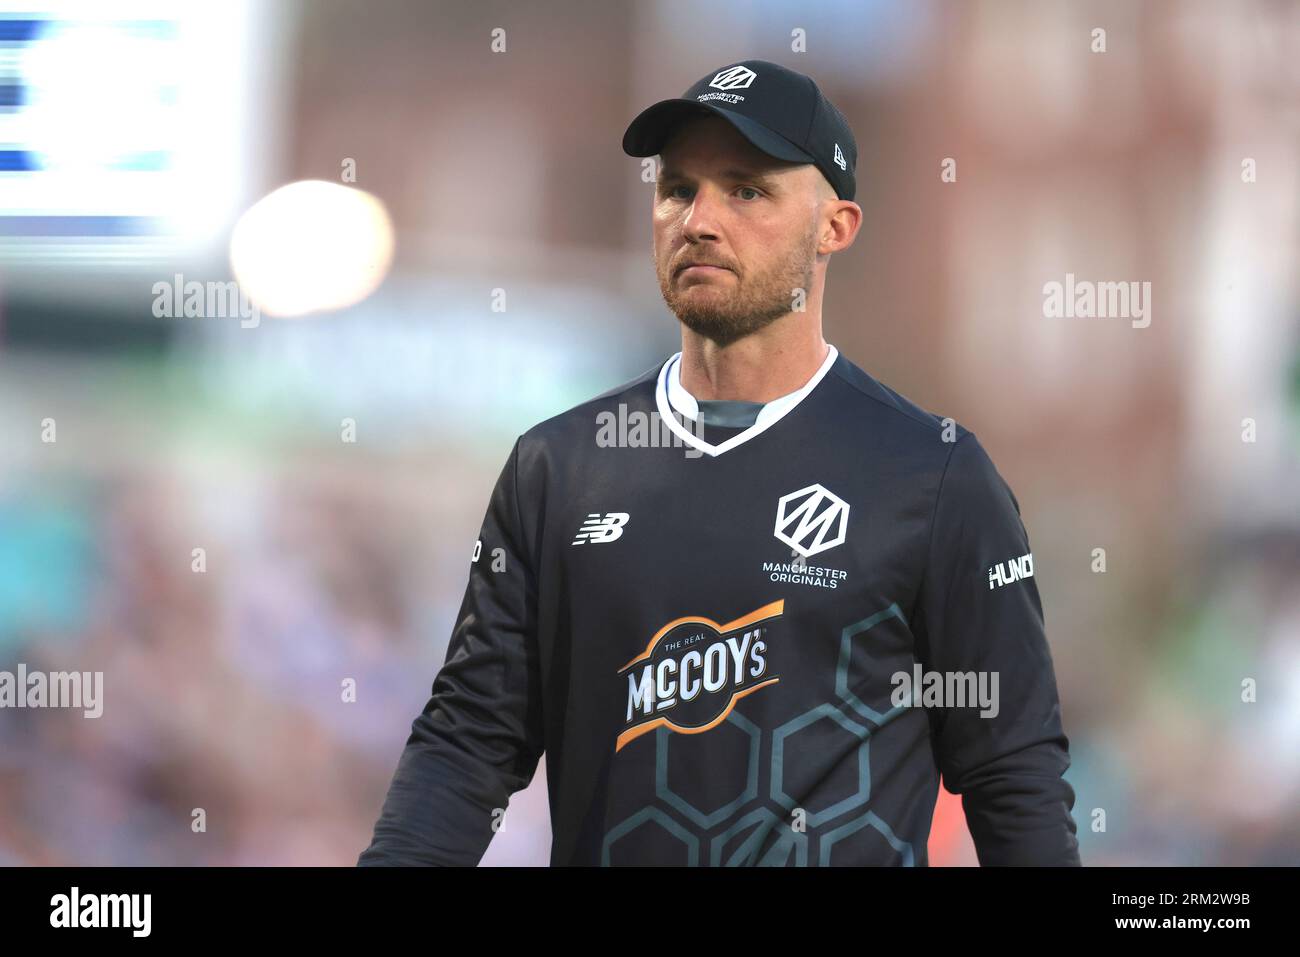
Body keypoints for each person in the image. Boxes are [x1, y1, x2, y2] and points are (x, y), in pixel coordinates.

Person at [358, 58, 1081, 866]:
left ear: (835, 226)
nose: (699, 218)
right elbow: (465, 746)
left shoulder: (934, 477)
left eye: (747, 190)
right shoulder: (559, 468)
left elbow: (1014, 773)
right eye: (677, 189)